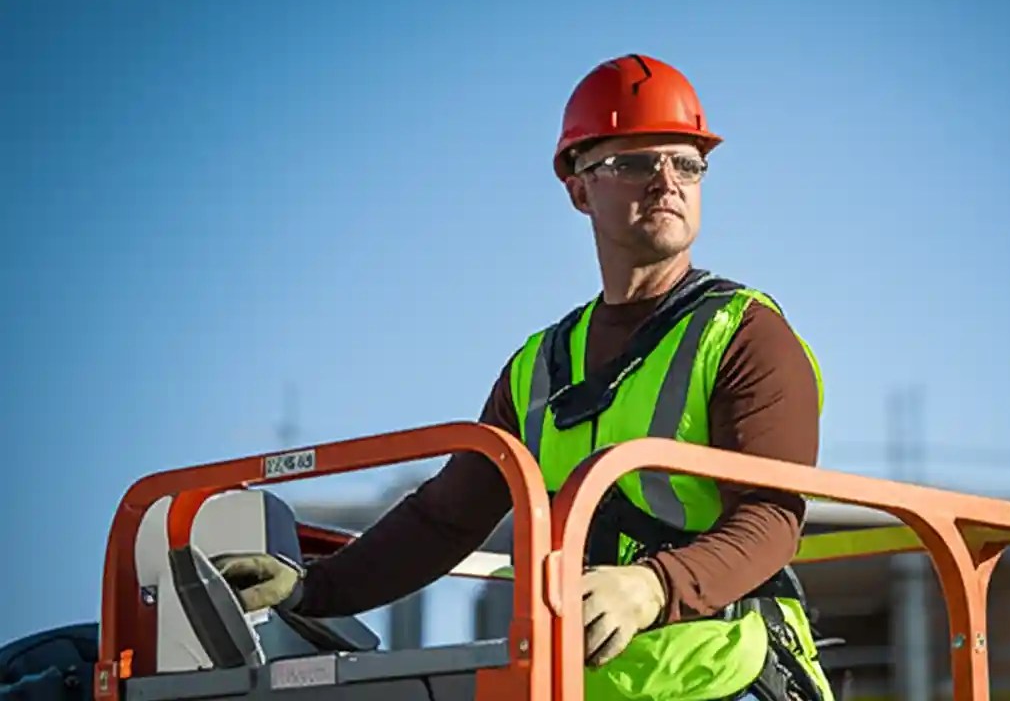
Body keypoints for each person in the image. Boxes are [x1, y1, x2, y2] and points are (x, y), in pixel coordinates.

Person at [215, 53, 835, 701]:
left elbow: (771, 519)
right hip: (577, 683)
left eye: (686, 164)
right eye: (634, 163)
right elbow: (445, 520)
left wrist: (654, 586)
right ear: (579, 189)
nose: (666, 182)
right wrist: (313, 588)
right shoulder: (539, 367)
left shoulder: (745, 334)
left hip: (725, 675)